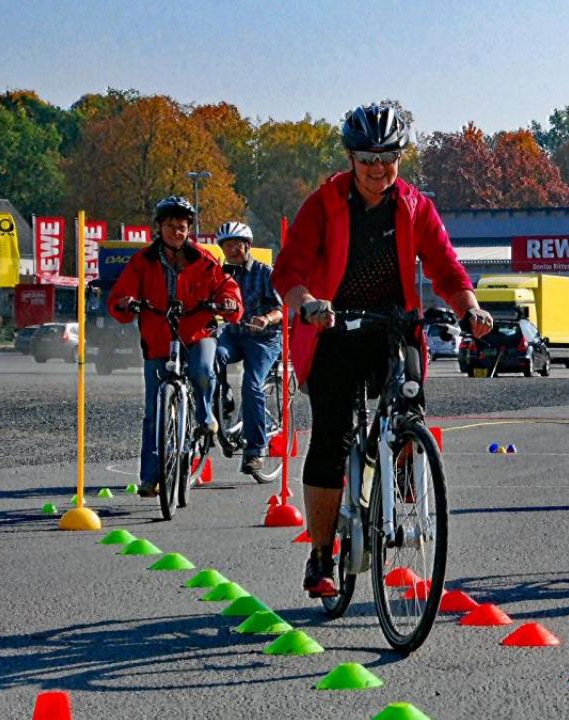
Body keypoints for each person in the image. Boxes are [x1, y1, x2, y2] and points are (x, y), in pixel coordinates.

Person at [272, 103, 494, 598]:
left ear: (399, 157)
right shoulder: (325, 202)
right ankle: (321, 555)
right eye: (367, 157)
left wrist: (469, 308)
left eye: (388, 156)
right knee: (330, 436)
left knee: (410, 400)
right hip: (334, 327)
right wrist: (306, 304)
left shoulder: (414, 206)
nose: (378, 168)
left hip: (392, 328)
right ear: (351, 158)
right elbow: (288, 270)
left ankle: (402, 461)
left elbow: (446, 266)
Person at [108, 196, 243, 497]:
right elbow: (122, 292)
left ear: (189, 229)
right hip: (158, 337)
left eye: (182, 227)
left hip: (197, 332)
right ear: (159, 227)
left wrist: (229, 301)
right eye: (170, 226)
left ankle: (206, 417)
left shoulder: (205, 259)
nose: (176, 232)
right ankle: (150, 477)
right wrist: (125, 301)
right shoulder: (142, 261)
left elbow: (226, 287)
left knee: (204, 370)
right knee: (153, 410)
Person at [214, 221, 284, 477]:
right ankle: (224, 401)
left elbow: (281, 308)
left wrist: (265, 319)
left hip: (264, 339)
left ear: (247, 246)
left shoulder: (266, 273)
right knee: (211, 357)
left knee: (252, 384)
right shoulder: (222, 274)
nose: (232, 250)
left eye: (236, 244)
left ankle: (256, 449)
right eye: (227, 246)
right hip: (234, 334)